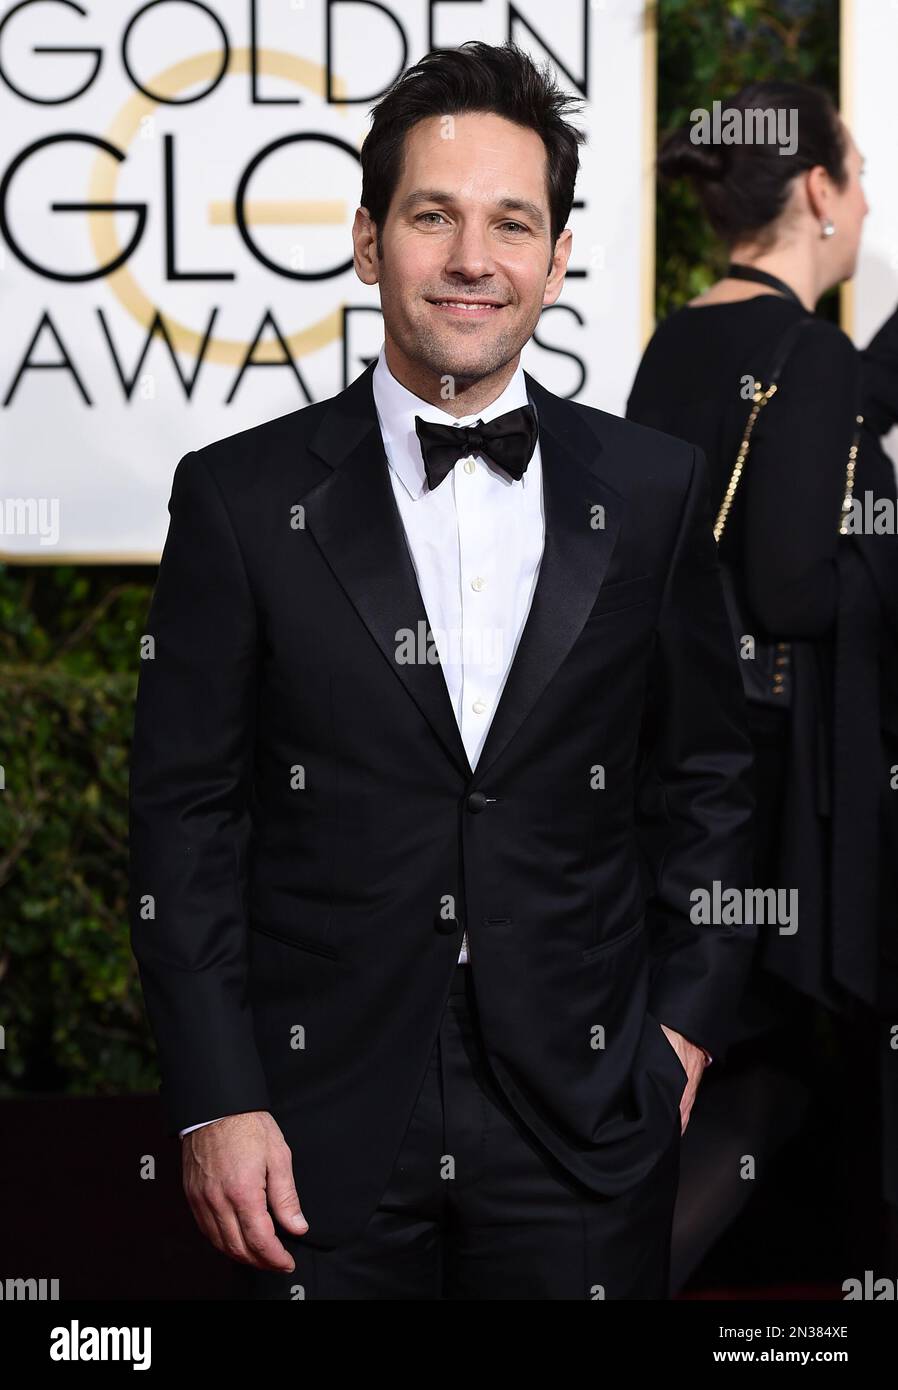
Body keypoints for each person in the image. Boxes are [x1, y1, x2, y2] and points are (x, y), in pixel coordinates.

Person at [129, 40, 755, 1301]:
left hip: (585, 1113)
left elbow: (709, 773)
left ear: (556, 258)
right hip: (312, 1119)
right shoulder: (240, 499)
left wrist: (681, 1032)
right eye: (433, 216)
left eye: (511, 223)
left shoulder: (651, 489)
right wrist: (215, 1097)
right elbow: (183, 814)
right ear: (369, 242)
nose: (474, 258)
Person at [627, 80, 898, 1285]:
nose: (867, 205)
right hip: (779, 800)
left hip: (677, 774)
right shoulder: (810, 352)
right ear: (819, 189)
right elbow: (793, 590)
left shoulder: (676, 339)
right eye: (859, 175)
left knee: (726, 1074)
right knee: (775, 1079)